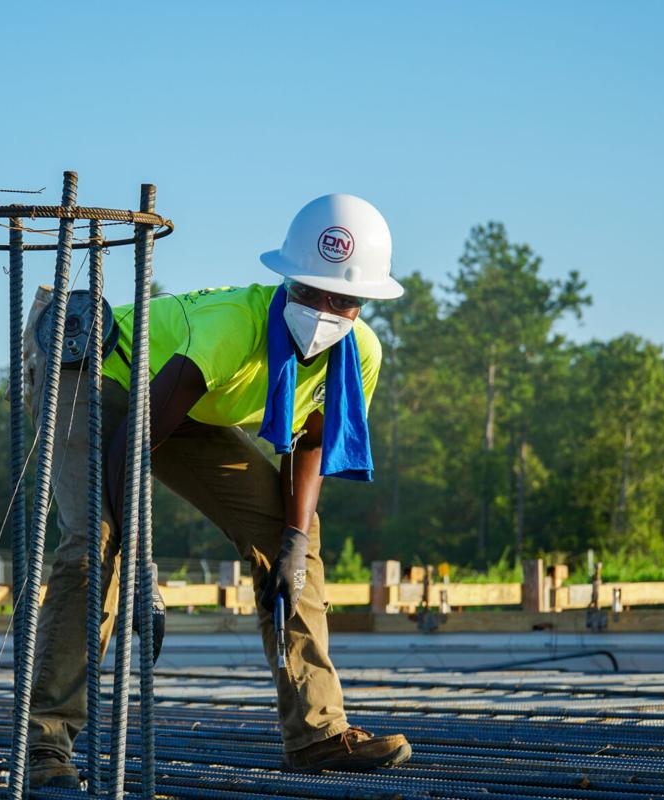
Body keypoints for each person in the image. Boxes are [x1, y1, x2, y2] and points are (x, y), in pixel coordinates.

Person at [22, 194, 411, 788]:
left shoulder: (359, 355)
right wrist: (143, 569)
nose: (325, 310)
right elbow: (133, 439)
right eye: (311, 292)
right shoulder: (232, 327)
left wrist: (290, 540)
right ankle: (45, 747)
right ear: (288, 282)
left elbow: (309, 443)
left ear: (363, 302)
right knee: (96, 546)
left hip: (184, 410)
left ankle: (318, 733)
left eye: (343, 299)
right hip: (92, 371)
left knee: (295, 546)